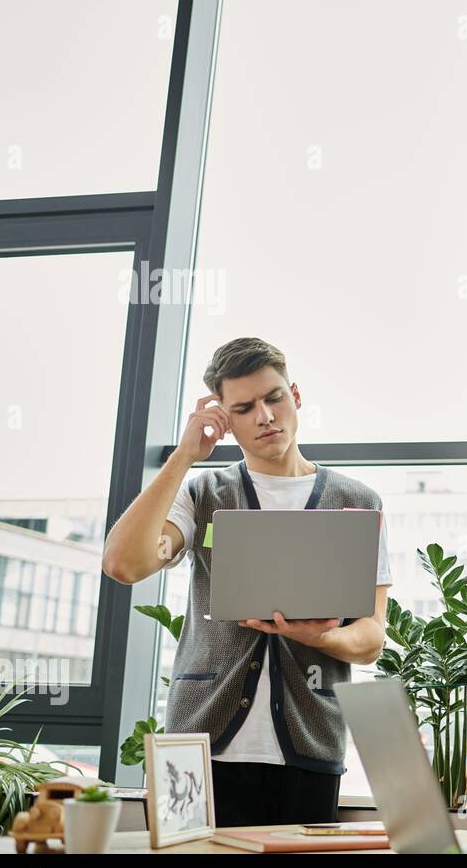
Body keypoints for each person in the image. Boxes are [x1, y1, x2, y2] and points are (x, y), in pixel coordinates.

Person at [102, 337, 391, 827]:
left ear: (295, 395)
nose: (264, 416)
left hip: (309, 749)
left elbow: (370, 641)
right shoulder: (203, 493)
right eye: (244, 407)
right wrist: (184, 457)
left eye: (273, 397)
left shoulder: (357, 501)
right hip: (197, 749)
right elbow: (124, 565)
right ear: (225, 418)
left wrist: (317, 636)